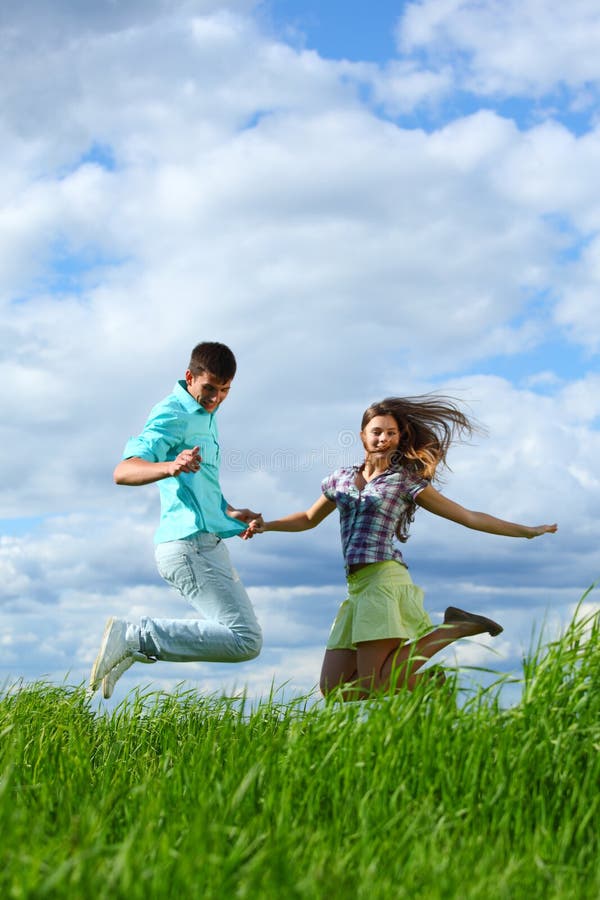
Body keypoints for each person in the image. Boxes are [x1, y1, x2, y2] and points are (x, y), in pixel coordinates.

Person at [246, 396, 557, 700]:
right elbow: (308, 518)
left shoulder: (405, 481)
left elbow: (467, 516)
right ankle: (429, 685)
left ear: (398, 438)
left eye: (391, 433)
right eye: (377, 431)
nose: (383, 438)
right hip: (356, 590)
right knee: (335, 689)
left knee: (377, 684)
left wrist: (527, 532)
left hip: (384, 582)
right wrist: (267, 525)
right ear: (362, 435)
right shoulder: (339, 479)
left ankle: (455, 628)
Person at [89, 341, 263, 699]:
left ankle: (133, 644)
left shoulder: (206, 418)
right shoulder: (173, 413)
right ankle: (136, 638)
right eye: (210, 388)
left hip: (206, 541)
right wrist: (170, 465)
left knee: (246, 639)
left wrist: (230, 513)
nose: (216, 398)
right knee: (245, 640)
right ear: (190, 377)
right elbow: (123, 471)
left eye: (225, 390)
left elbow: (200, 490)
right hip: (188, 546)